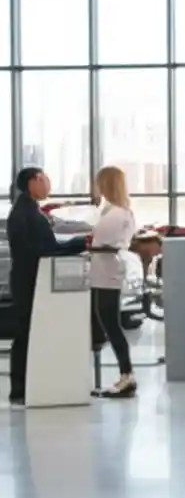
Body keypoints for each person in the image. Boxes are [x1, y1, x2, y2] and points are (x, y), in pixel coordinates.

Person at [6, 167, 89, 406]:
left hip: (31, 277)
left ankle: (27, 385)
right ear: (32, 182)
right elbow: (43, 250)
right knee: (25, 333)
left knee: (29, 333)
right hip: (29, 280)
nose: (49, 186)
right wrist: (80, 243)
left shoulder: (31, 210)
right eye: (45, 181)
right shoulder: (25, 213)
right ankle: (20, 388)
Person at [88, 166, 139, 399]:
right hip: (106, 272)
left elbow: (104, 241)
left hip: (107, 273)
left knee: (110, 324)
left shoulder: (116, 214)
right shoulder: (119, 212)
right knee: (109, 323)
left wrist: (88, 243)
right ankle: (125, 374)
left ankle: (127, 375)